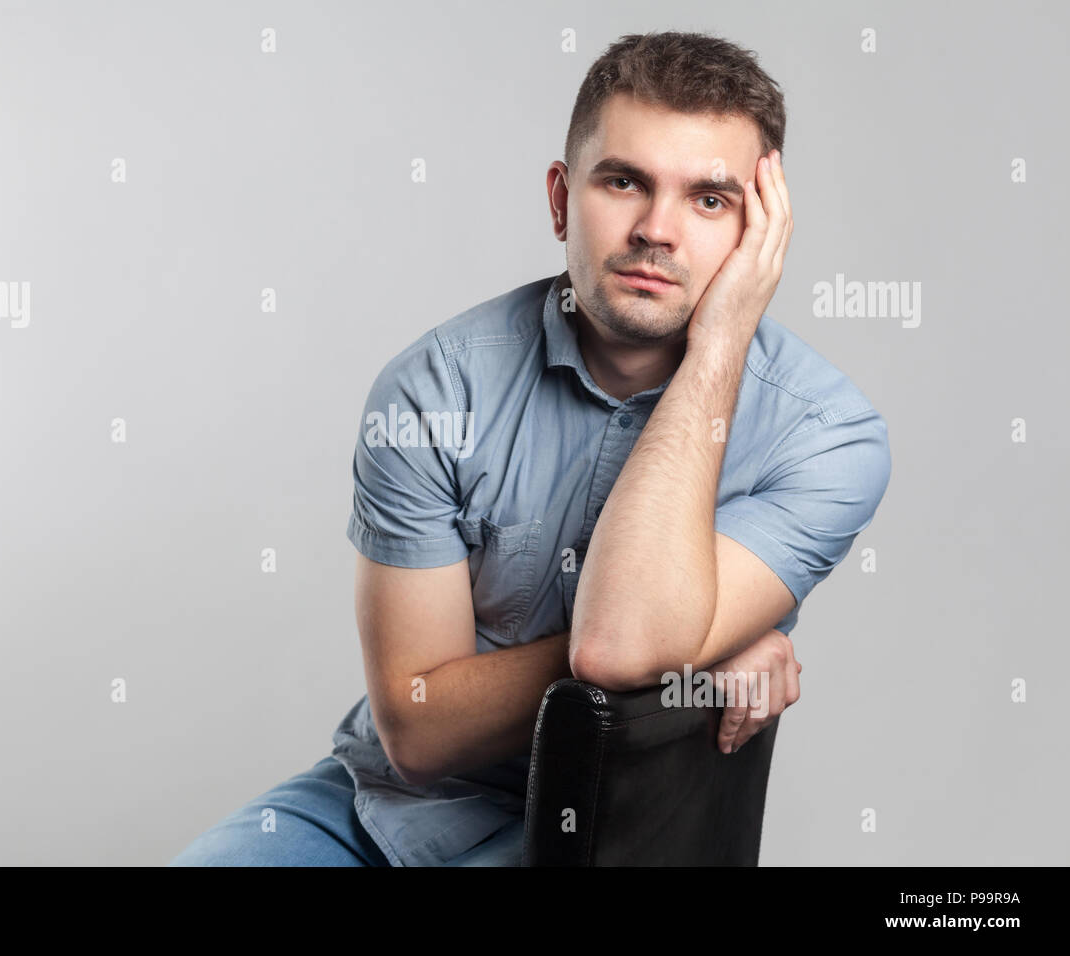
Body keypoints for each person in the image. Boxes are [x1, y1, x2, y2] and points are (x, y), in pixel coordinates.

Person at [171, 30, 890, 867]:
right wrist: (694, 649)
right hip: (387, 806)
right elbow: (418, 731)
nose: (657, 229)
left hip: (617, 827)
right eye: (624, 181)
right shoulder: (431, 394)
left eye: (709, 200)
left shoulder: (828, 435)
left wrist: (720, 344)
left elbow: (614, 646)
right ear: (560, 199)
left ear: (761, 234)